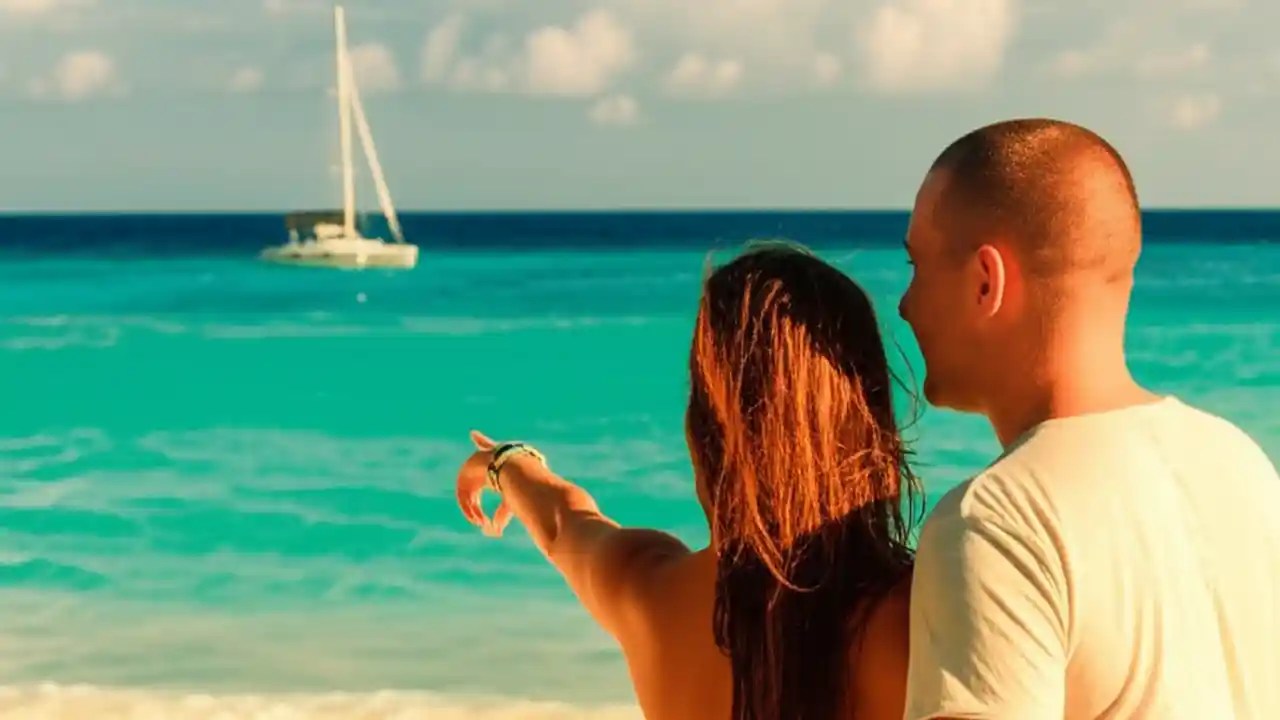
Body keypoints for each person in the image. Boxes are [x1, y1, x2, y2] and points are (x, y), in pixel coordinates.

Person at [897, 117, 1280, 719]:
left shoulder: (998, 521)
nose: (904, 303)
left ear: (984, 283)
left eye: (917, 266)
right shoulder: (1243, 465)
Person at [455, 244, 919, 720]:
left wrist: (504, 462)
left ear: (705, 430)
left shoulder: (652, 597)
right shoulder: (917, 620)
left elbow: (562, 522)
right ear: (872, 419)